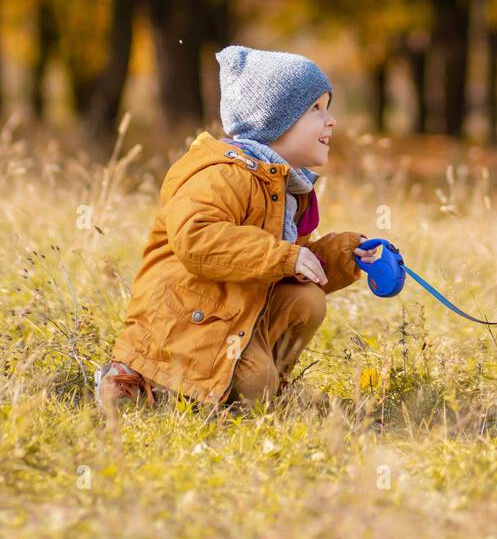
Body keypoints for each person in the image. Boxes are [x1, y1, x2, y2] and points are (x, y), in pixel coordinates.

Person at [95, 45, 377, 419]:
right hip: (188, 324)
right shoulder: (224, 174)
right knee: (254, 385)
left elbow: (291, 269)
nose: (331, 121)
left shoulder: (283, 189)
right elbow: (196, 237)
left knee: (306, 301)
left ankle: (256, 385)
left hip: (232, 319)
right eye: (316, 109)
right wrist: (285, 256)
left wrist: (347, 254)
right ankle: (148, 379)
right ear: (275, 119)